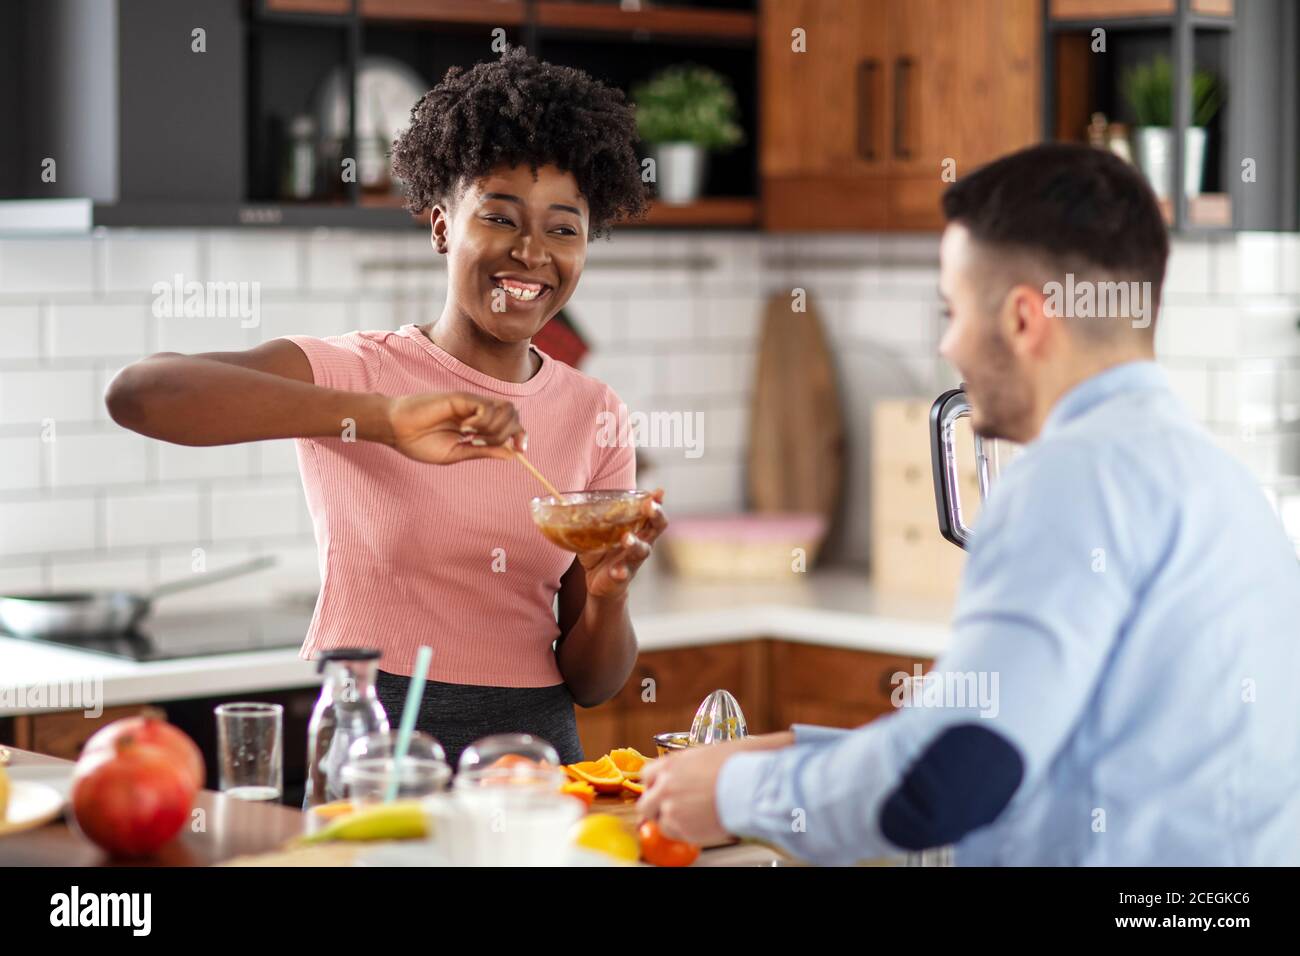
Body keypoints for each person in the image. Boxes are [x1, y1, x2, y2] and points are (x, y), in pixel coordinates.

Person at [639, 143, 1300, 865]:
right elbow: (1049, 752)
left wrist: (736, 793)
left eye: (952, 312)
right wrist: (802, 753)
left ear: (1023, 320)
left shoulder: (1069, 479)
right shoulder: (1223, 483)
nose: (947, 345)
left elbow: (947, 782)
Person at [106, 50, 665, 767]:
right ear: (441, 226)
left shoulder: (594, 411)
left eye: (564, 228)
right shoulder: (357, 370)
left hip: (530, 764)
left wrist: (611, 596)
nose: (531, 252)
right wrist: (383, 420)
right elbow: (140, 395)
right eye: (499, 217)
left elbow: (594, 683)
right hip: (373, 747)